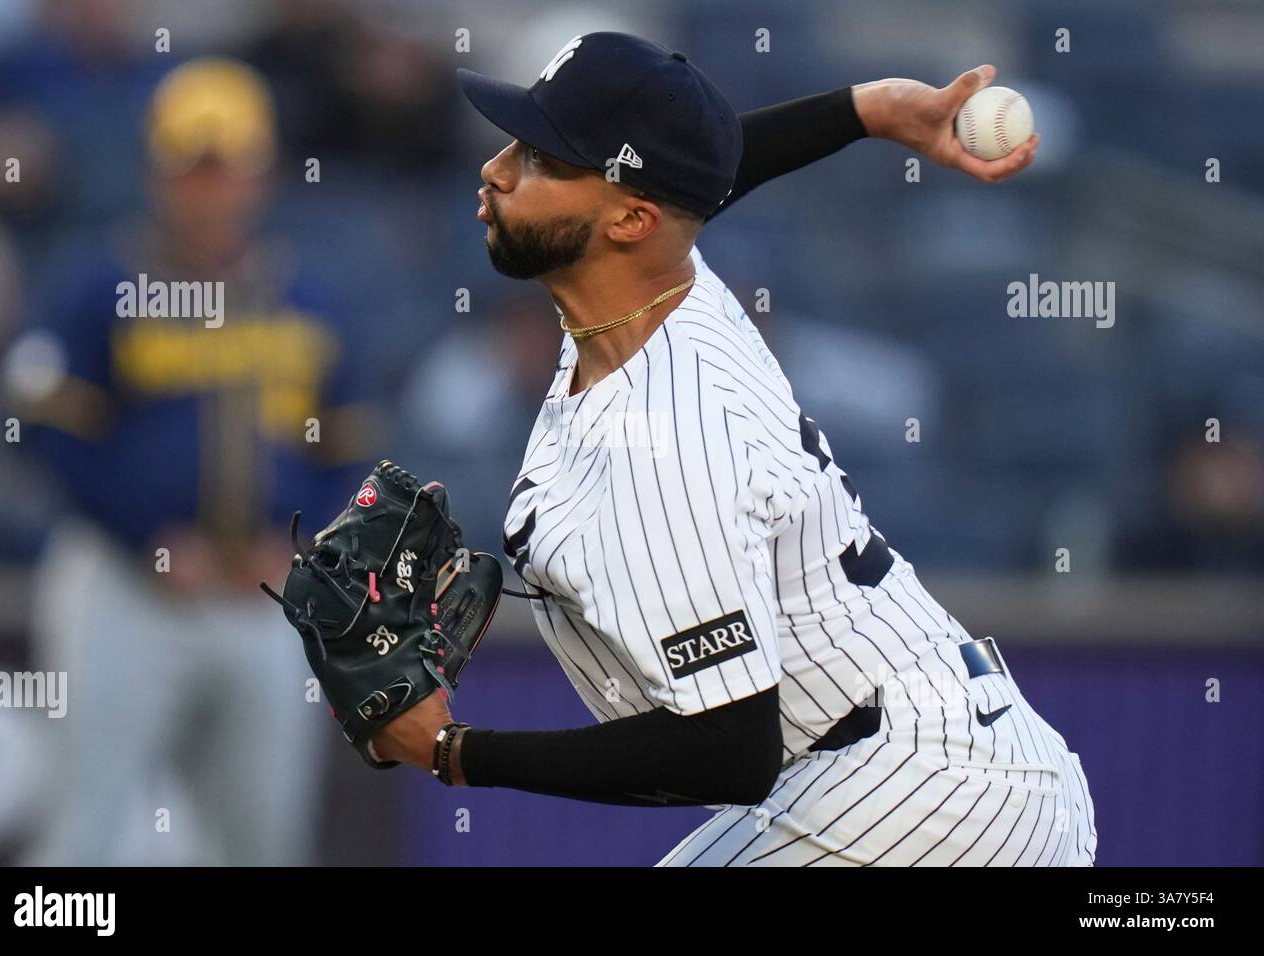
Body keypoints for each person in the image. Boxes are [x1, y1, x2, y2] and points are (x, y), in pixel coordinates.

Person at [370, 32, 1094, 866]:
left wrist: (455, 751)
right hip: (937, 764)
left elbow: (727, 752)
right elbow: (704, 171)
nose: (497, 169)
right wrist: (865, 111)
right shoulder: (654, 283)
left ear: (630, 219)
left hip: (913, 797)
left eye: (539, 156)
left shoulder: (665, 437)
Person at [6, 58, 376, 865]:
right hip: (124, 587)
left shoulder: (308, 297)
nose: (211, 191)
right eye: (193, 170)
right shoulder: (97, 283)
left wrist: (302, 543)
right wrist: (147, 537)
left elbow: (344, 449)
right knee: (85, 829)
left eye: (229, 170)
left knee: (262, 837)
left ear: (263, 176)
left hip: (262, 596)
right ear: (159, 173)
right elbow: (53, 436)